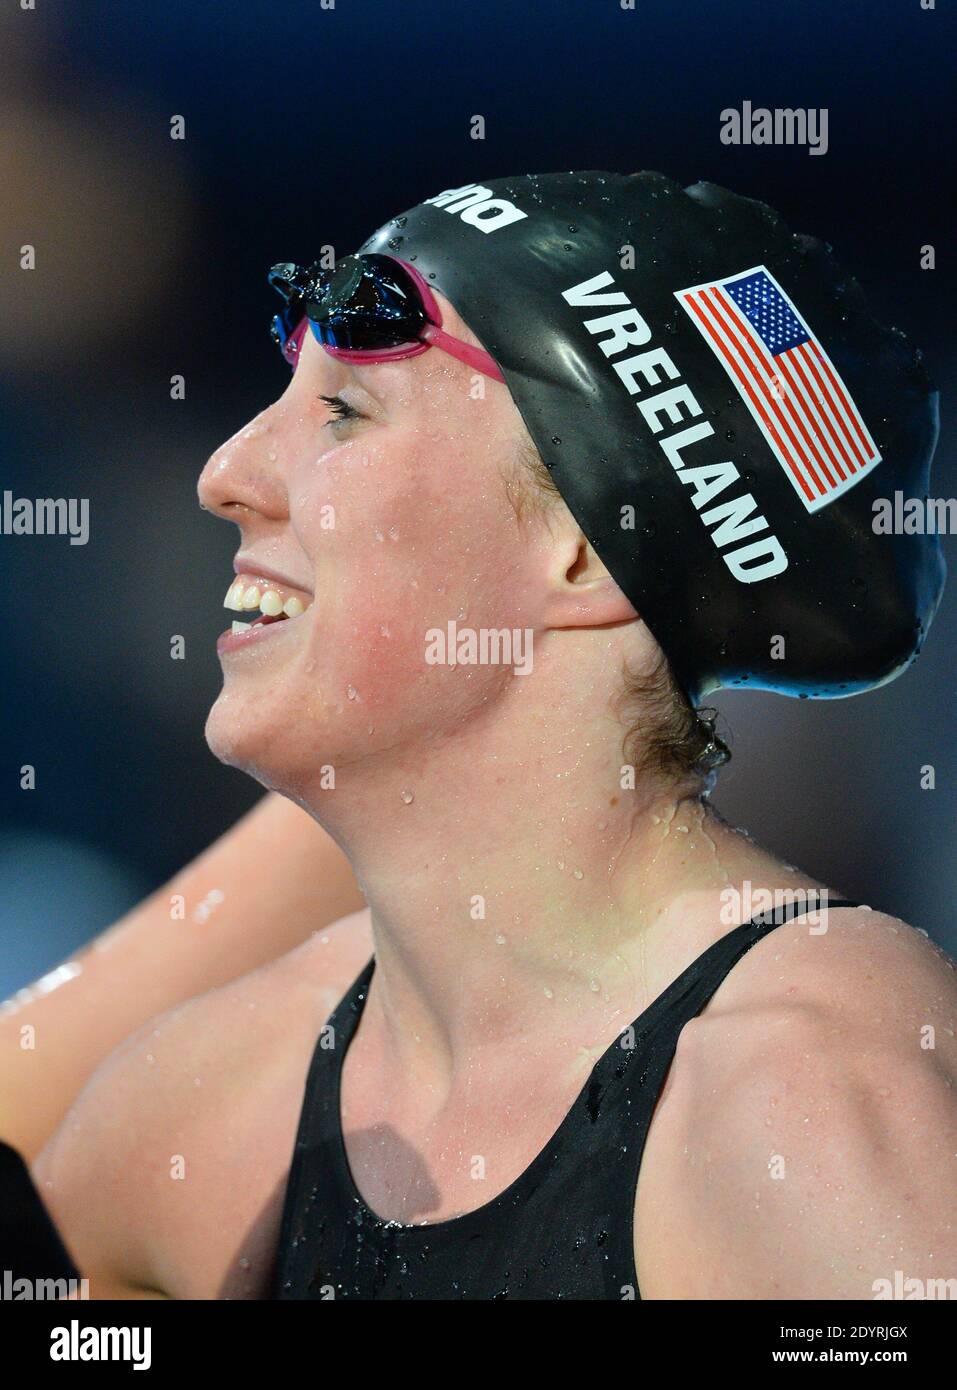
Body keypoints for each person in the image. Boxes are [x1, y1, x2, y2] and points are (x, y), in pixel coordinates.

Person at [20, 172, 957, 1299]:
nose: (226, 476)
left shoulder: (797, 1096)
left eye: (344, 412)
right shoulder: (213, 1114)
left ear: (584, 550)